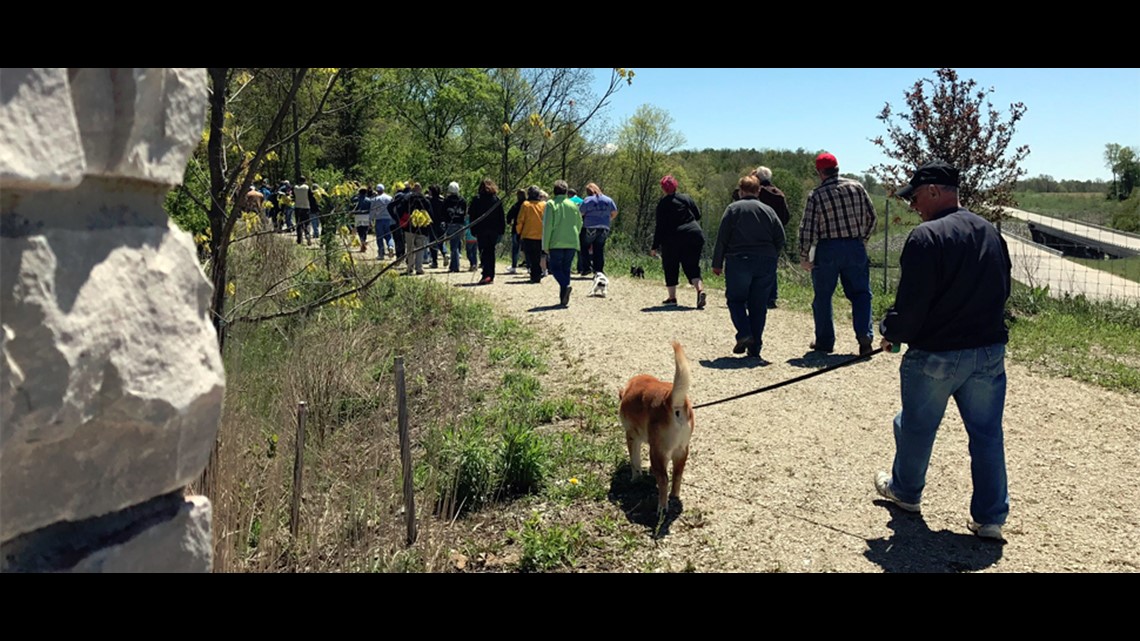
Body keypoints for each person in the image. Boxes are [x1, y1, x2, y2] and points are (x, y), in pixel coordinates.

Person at [875, 159, 1013, 541]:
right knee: (986, 435)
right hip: (988, 352)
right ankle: (990, 518)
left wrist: (891, 331)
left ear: (935, 191)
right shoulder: (989, 231)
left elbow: (911, 305)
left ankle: (905, 492)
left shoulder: (926, 237)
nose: (913, 205)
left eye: (915, 197)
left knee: (915, 428)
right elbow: (1004, 290)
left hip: (936, 354)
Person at [798, 152, 877, 356]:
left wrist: (804, 256)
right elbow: (872, 217)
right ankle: (864, 336)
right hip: (855, 246)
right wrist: (863, 239)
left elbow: (808, 229)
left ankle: (825, 341)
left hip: (828, 249)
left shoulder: (816, 195)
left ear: (819, 172)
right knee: (861, 294)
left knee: (823, 296)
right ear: (837, 168)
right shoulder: (857, 187)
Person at [711, 175, 785, 359]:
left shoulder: (733, 209)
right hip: (766, 261)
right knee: (758, 305)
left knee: (735, 300)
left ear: (740, 191)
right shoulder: (769, 211)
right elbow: (781, 237)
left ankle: (744, 333)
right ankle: (755, 347)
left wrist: (717, 263)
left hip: (739, 260)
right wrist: (772, 255)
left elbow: (722, 238)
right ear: (758, 191)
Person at [652, 175, 707, 309]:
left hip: (672, 237)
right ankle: (700, 290)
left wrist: (654, 246)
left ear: (663, 189)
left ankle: (672, 298)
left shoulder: (663, 204)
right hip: (694, 233)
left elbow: (659, 226)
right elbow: (698, 215)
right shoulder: (686, 198)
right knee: (692, 265)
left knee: (670, 265)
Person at [753, 166, 791, 309]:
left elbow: (736, 194)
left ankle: (754, 295)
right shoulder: (779, 194)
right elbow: (786, 216)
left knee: (752, 264)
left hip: (754, 233)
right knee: (771, 265)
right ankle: (771, 297)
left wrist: (749, 176)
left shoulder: (756, 192)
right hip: (773, 234)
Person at [542, 179, 582, 307]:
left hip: (556, 242)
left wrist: (545, 245)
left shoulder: (551, 204)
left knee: (554, 268)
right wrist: (575, 234)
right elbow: (579, 223)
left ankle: (565, 286)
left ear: (554, 191)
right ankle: (563, 298)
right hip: (571, 241)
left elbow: (547, 226)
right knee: (566, 269)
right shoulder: (573, 205)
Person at [467, 178, 506, 285]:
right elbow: (501, 217)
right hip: (493, 230)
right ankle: (490, 275)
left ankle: (486, 274)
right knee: (491, 252)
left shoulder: (477, 199)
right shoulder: (496, 199)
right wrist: (502, 230)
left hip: (481, 230)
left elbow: (472, 216)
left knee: (483, 252)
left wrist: (473, 229)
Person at [578, 182, 618, 277]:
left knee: (584, 246)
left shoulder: (588, 200)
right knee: (599, 248)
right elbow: (615, 212)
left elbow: (581, 213)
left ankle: (586, 267)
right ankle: (599, 270)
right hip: (604, 227)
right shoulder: (608, 200)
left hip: (590, 226)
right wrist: (608, 219)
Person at [516, 186, 547, 283]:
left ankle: (535, 274)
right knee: (537, 256)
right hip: (540, 235)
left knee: (530, 256)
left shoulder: (526, 204)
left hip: (527, 235)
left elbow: (520, 220)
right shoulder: (543, 205)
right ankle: (537, 273)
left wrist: (518, 232)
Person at [403, 183, 434, 275]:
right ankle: (419, 268)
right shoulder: (426, 201)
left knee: (410, 248)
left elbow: (401, 210)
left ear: (413, 189)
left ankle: (409, 268)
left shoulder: (408, 200)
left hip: (409, 228)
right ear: (420, 190)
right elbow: (431, 215)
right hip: (422, 228)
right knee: (420, 249)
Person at [442, 181, 468, 273]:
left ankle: (455, 266)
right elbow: (464, 213)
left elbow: (443, 213)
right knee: (455, 244)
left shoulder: (447, 201)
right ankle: (453, 265)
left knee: (454, 246)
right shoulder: (462, 201)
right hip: (460, 224)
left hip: (450, 224)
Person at [386, 181, 411, 259]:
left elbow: (390, 207)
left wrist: (395, 217)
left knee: (399, 239)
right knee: (405, 239)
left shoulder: (397, 196)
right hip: (406, 220)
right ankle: (404, 256)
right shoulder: (404, 196)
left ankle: (400, 256)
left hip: (399, 221)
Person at [504, 188, 526, 274]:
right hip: (527, 230)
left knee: (515, 249)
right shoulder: (528, 205)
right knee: (526, 249)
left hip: (516, 229)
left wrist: (510, 222)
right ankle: (529, 266)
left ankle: (514, 266)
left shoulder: (516, 206)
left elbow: (509, 216)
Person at [370, 184, 394, 259]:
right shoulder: (389, 198)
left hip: (379, 219)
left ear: (377, 190)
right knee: (389, 235)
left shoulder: (375, 199)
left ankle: (381, 253)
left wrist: (370, 219)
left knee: (379, 237)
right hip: (388, 219)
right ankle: (391, 246)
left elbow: (372, 210)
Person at [427, 184, 447, 269]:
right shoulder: (443, 201)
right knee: (441, 241)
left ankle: (434, 261)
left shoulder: (429, 201)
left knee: (432, 242)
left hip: (432, 223)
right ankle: (445, 253)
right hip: (442, 223)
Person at [293, 176, 314, 245]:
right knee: (307, 223)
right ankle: (307, 235)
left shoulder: (295, 187)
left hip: (297, 207)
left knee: (299, 224)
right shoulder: (307, 188)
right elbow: (311, 197)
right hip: (306, 207)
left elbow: (293, 197)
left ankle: (299, 239)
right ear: (305, 181)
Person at [352, 186, 372, 253]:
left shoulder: (356, 199)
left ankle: (362, 242)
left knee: (360, 230)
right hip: (366, 216)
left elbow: (351, 202)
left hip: (358, 216)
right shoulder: (369, 200)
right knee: (365, 230)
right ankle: (364, 241)